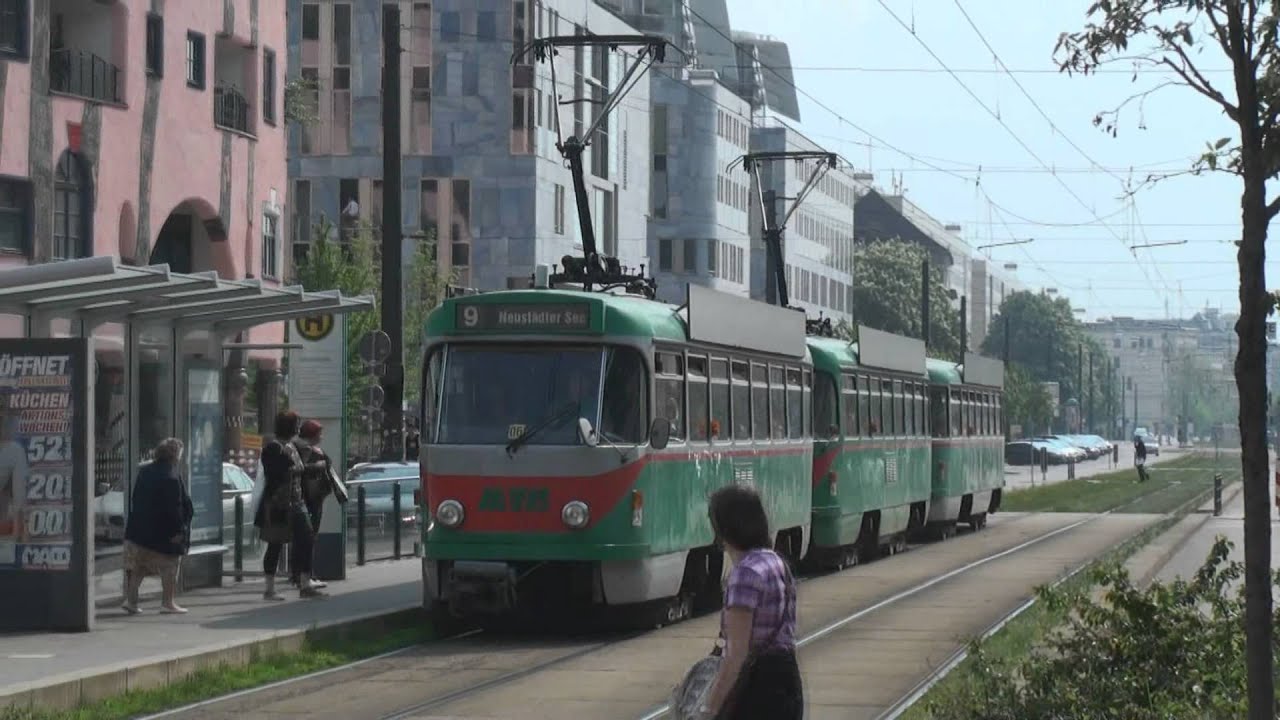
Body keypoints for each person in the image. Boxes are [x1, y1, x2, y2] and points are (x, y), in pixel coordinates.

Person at [701, 485, 803, 719]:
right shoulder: (775, 562)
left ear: (722, 527)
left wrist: (710, 708)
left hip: (757, 689)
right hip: (787, 679)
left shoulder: (744, 575)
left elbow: (737, 654)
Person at [255, 411, 325, 600]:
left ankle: (305, 583)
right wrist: (303, 467)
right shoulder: (274, 447)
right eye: (296, 425)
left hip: (296, 500)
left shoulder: (291, 446)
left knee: (307, 537)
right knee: (275, 544)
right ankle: (269, 589)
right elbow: (275, 473)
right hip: (278, 502)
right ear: (288, 426)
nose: (298, 429)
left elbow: (299, 469)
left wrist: (309, 466)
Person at [121, 438, 194, 615]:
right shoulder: (171, 476)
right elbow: (174, 507)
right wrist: (178, 530)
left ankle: (131, 601)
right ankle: (168, 602)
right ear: (175, 455)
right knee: (169, 567)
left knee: (139, 566)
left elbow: (136, 498)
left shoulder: (145, 472)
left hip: (138, 531)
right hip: (162, 534)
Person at [290, 420, 333, 590]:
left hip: (310, 497)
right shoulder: (304, 449)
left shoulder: (307, 449)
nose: (321, 437)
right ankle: (304, 576)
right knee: (307, 537)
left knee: (303, 538)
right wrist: (318, 466)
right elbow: (299, 469)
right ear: (312, 434)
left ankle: (300, 575)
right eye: (319, 433)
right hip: (309, 497)